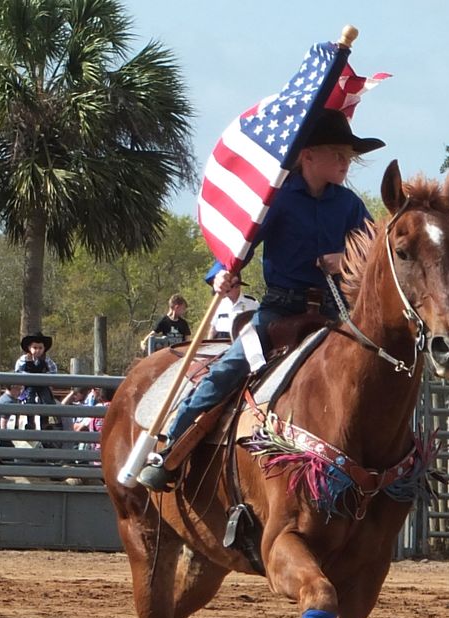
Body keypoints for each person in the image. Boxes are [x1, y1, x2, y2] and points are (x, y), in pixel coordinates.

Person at [138, 108, 384, 490]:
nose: (346, 163)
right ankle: (171, 448)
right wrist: (223, 272)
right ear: (308, 155)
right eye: (339, 154)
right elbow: (241, 245)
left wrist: (347, 259)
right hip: (278, 313)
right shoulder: (278, 200)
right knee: (226, 371)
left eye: (348, 156)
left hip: (336, 316)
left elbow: (376, 252)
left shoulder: (349, 206)